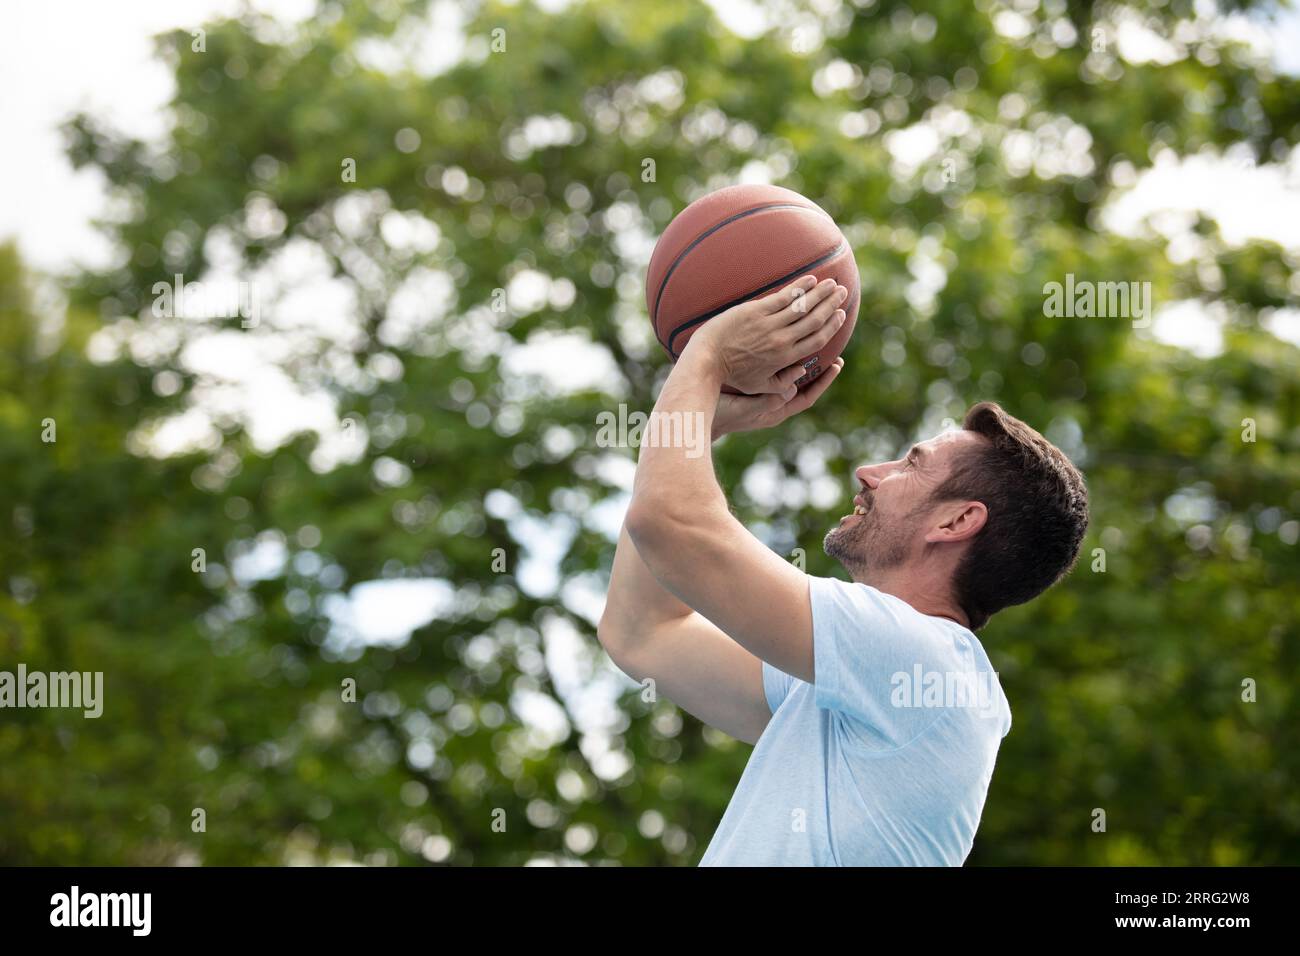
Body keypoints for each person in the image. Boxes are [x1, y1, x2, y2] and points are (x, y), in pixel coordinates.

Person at [597, 276, 1089, 865]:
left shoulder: (919, 659)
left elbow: (670, 524)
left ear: (957, 521)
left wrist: (707, 356)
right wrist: (703, 425)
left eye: (912, 463)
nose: (868, 471)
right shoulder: (860, 685)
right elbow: (642, 634)